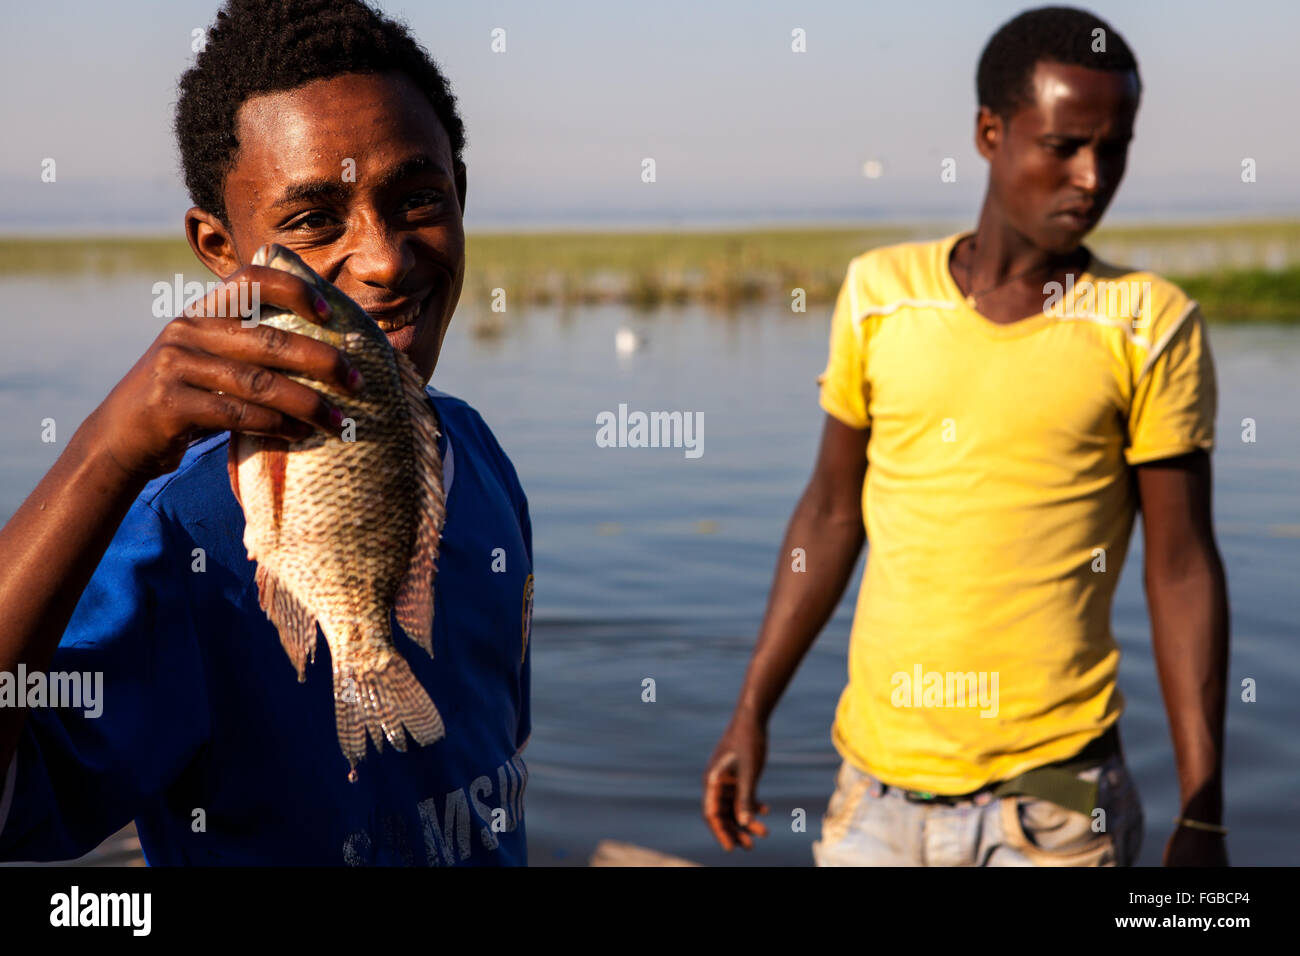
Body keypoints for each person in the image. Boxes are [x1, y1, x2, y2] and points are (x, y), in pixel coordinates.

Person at [0, 0, 532, 866]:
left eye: (419, 199)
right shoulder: (189, 529)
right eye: (315, 218)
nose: (386, 258)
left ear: (461, 198)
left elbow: (498, 751)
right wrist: (107, 450)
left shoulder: (481, 459)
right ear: (220, 249)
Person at [702, 5, 1228, 867]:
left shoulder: (1148, 323)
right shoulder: (880, 294)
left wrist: (1202, 810)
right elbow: (832, 516)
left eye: (1115, 146)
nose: (1093, 176)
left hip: (1056, 805)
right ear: (991, 132)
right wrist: (751, 708)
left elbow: (1180, 567)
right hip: (874, 795)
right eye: (1064, 145)